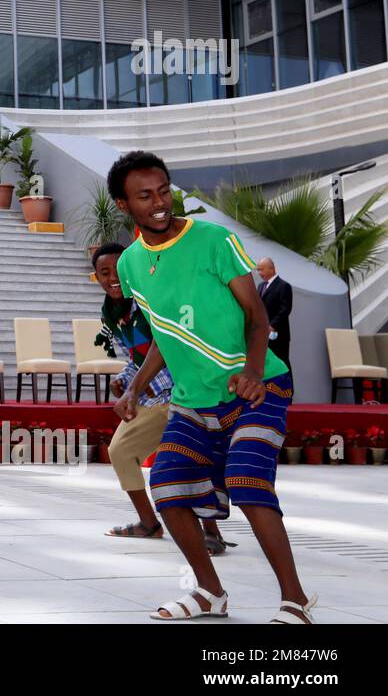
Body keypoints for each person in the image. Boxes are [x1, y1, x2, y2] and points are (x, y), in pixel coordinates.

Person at [110, 150, 314, 624]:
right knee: (167, 488)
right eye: (145, 195)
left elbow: (257, 318)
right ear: (124, 205)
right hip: (191, 400)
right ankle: (209, 593)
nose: (159, 202)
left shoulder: (213, 239)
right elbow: (165, 334)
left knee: (248, 480)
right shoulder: (131, 266)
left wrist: (255, 373)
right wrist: (136, 388)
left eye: (164, 190)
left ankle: (295, 600)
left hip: (258, 388)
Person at [93, 243, 233, 556]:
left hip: (188, 391)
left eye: (119, 270)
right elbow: (137, 357)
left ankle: (211, 531)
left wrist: (143, 387)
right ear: (97, 277)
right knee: (120, 450)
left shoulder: (151, 300)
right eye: (105, 272)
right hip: (151, 396)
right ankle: (149, 523)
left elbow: (175, 346)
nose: (112, 277)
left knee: (190, 457)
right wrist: (125, 381)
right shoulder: (112, 311)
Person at [255, 257, 292, 370]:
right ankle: (270, 388)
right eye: (258, 270)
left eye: (261, 270)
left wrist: (272, 326)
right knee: (266, 366)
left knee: (281, 364)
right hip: (262, 335)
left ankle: (286, 388)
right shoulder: (261, 286)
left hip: (278, 335)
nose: (259, 273)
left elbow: (285, 309)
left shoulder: (283, 286)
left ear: (271, 269)